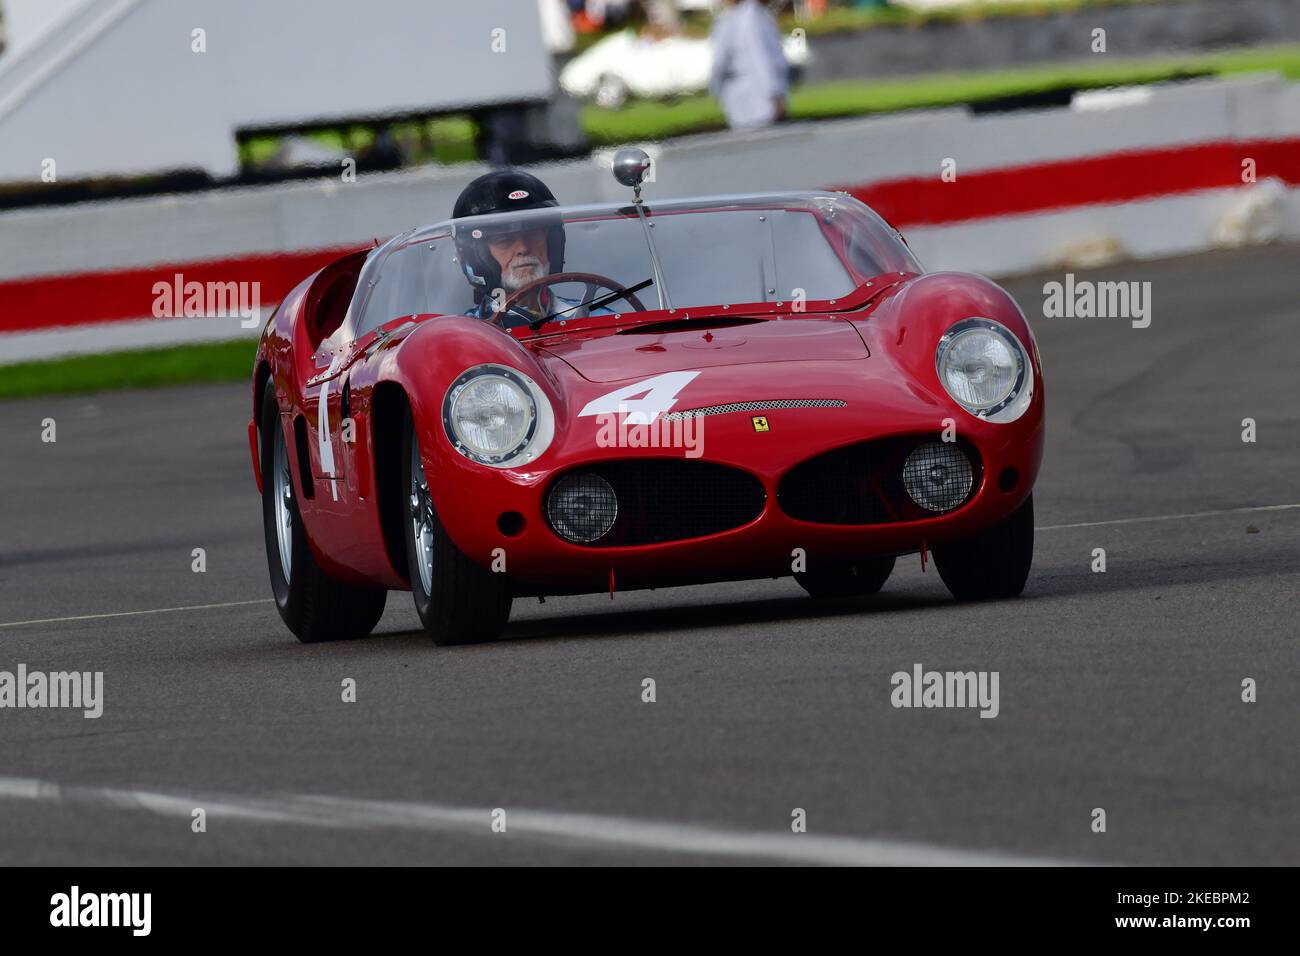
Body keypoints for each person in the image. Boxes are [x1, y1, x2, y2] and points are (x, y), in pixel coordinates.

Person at [451, 169, 615, 328]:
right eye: (504, 239)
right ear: (476, 256)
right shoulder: (464, 337)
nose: (523, 248)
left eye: (533, 235)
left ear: (553, 242)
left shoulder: (600, 319)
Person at [709, 0, 789, 130]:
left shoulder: (741, 16)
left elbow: (719, 61)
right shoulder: (750, 17)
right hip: (756, 96)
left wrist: (715, 88)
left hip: (745, 94)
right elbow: (760, 57)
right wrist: (774, 94)